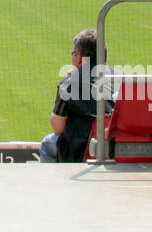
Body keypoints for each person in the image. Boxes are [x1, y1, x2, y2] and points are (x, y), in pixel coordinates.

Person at [39, 29, 113, 163]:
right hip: (112, 149)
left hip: (79, 151)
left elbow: (57, 128)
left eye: (73, 54)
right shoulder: (119, 80)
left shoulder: (69, 84)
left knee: (47, 144)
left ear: (79, 57)